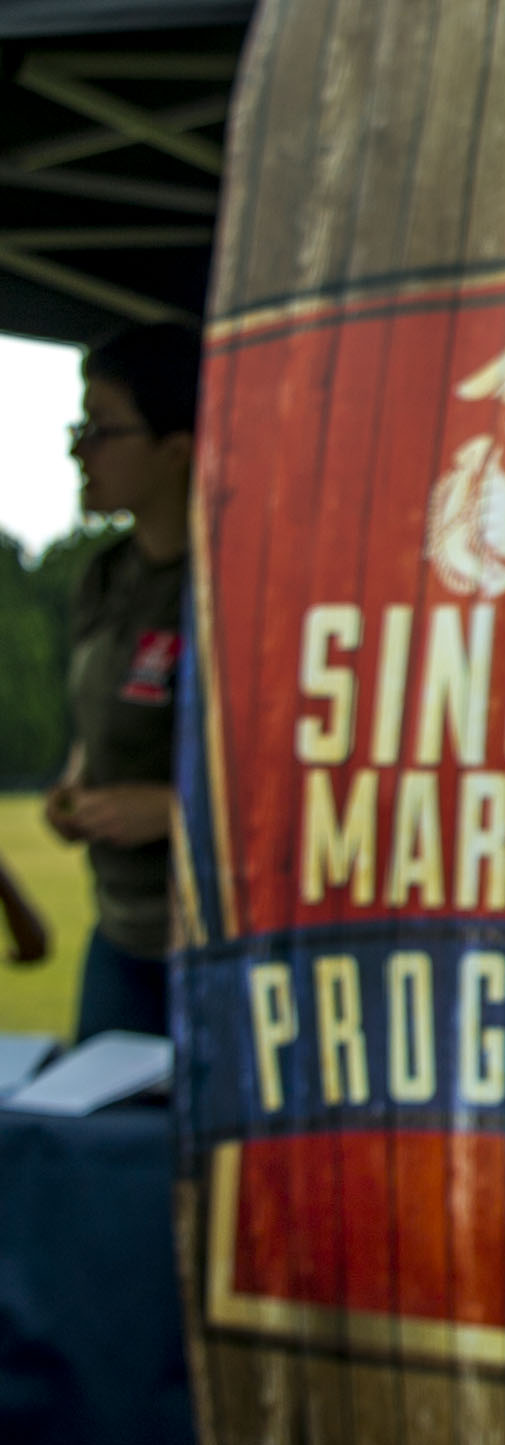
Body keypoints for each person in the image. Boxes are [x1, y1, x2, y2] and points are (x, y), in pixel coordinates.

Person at [46, 323, 198, 1038]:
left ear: (178, 450)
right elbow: (96, 726)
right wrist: (76, 786)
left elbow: (300, 778)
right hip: (118, 935)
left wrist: (171, 810)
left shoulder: (234, 590)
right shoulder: (104, 577)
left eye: (102, 429)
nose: (79, 450)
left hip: (208, 944)